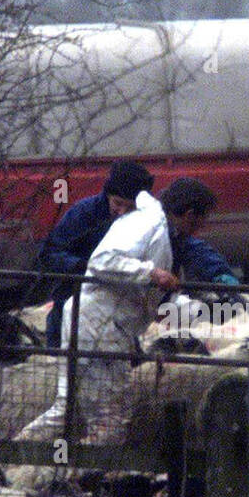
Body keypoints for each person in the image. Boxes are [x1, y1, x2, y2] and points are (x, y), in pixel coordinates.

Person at [17, 178, 218, 446]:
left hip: (97, 323)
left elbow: (151, 302)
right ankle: (82, 474)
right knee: (110, 424)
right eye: (202, 220)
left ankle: (9, 458)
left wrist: (203, 311)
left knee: (66, 410)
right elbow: (102, 261)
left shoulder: (161, 232)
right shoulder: (148, 224)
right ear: (191, 215)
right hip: (102, 328)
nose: (202, 228)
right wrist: (152, 273)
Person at [39, 161, 238, 347]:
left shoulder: (144, 223)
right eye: (117, 203)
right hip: (74, 304)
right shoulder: (85, 214)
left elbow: (189, 247)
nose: (122, 211)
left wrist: (218, 272)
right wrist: (85, 268)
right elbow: (50, 253)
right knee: (65, 367)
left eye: (130, 206)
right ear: (107, 195)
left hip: (120, 314)